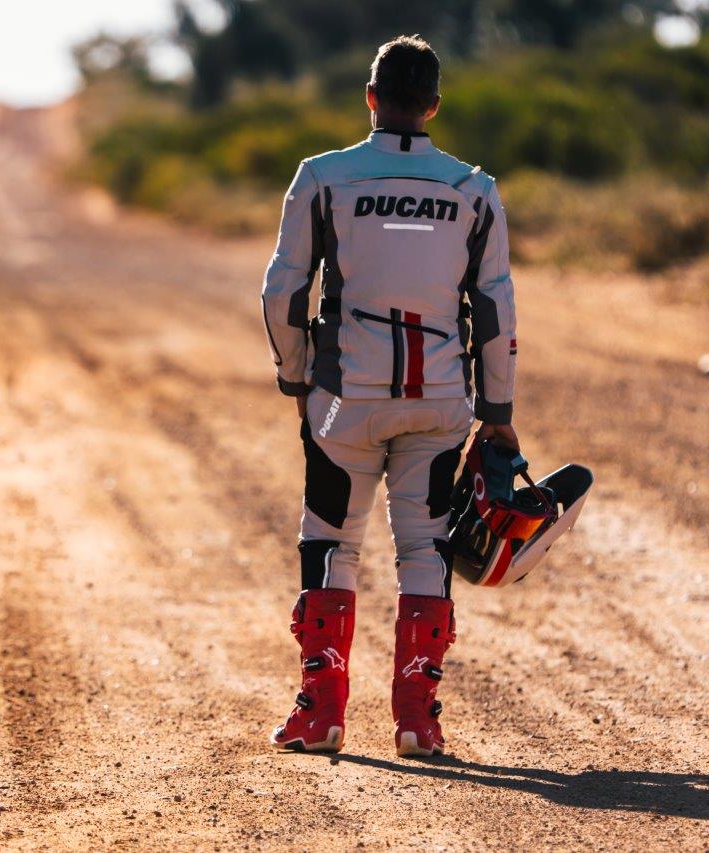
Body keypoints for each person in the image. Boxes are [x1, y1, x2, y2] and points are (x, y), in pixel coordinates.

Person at [260, 34, 518, 756]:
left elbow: (282, 289)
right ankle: (416, 719)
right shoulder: (475, 191)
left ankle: (321, 713)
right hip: (439, 401)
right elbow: (496, 313)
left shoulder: (321, 176)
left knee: (329, 543)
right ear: (434, 105)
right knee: (425, 549)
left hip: (344, 399)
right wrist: (497, 415)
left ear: (370, 98)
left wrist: (294, 372)